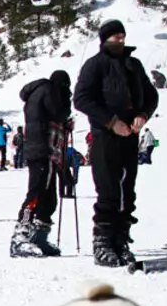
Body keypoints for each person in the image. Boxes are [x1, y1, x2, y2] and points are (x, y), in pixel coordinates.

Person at [73, 19, 159, 267]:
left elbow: (151, 95)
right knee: (108, 189)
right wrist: (111, 122)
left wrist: (142, 115)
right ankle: (102, 241)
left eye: (122, 36)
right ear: (104, 39)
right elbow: (81, 99)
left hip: (130, 136)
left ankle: (120, 239)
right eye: (115, 37)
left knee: (127, 190)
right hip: (104, 136)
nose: (120, 40)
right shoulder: (95, 65)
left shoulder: (133, 64)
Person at [11, 69, 72, 258]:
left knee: (48, 194)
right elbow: (59, 113)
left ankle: (39, 236)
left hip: (39, 147)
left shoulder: (37, 92)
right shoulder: (49, 90)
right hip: (43, 148)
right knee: (37, 191)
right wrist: (66, 104)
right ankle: (20, 236)